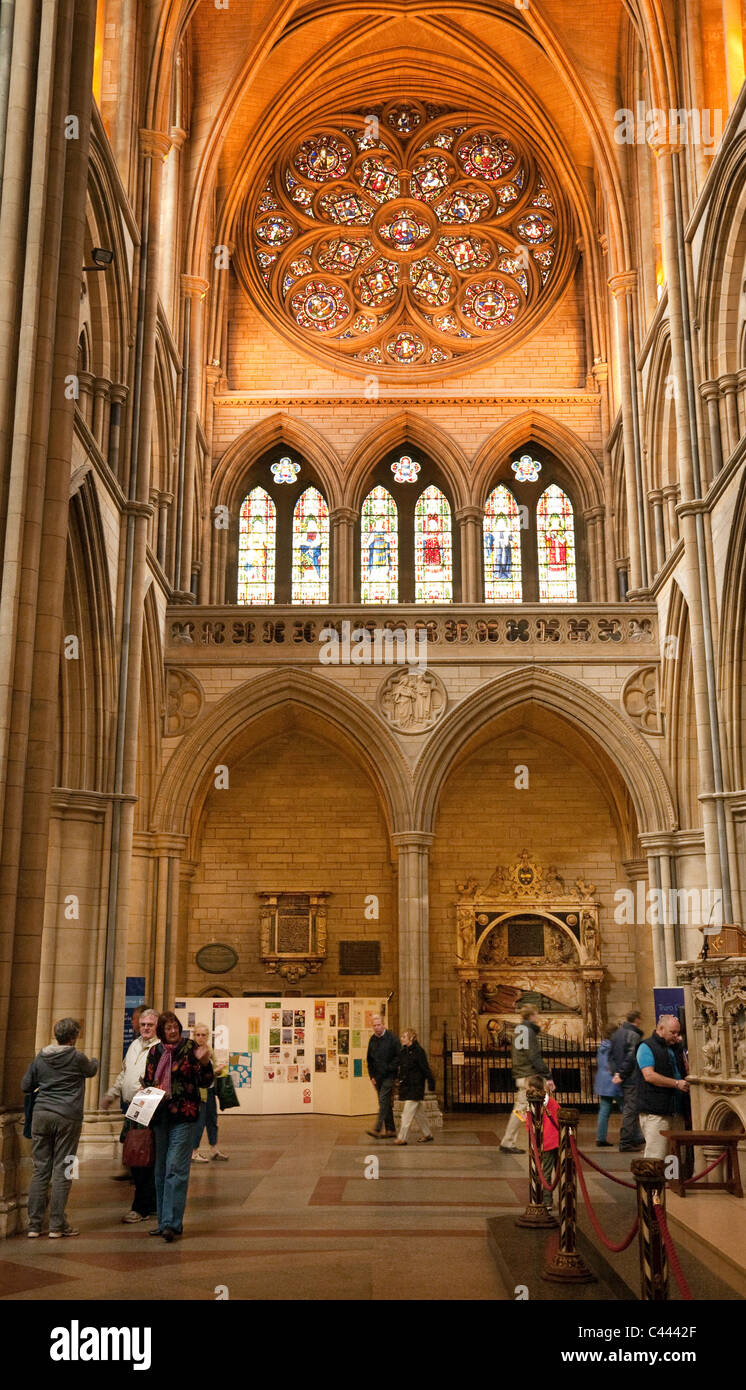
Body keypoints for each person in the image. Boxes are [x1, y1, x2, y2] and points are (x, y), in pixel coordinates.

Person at [21, 1017, 98, 1238]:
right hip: (68, 1118)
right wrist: (95, 1060)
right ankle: (57, 1225)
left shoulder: (41, 1057)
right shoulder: (76, 1057)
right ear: (73, 1037)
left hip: (41, 1115)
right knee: (65, 1169)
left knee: (40, 1170)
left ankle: (34, 1225)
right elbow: (91, 1070)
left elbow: (26, 1085)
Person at [142, 1011, 213, 1241]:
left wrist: (204, 1063)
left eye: (175, 1027)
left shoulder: (190, 1048)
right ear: (161, 1031)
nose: (172, 1031)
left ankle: (173, 1223)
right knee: (161, 1169)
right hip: (160, 1117)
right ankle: (163, 1222)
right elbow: (149, 1080)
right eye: (168, 1028)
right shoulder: (155, 1051)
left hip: (184, 1115)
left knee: (176, 1167)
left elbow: (205, 1081)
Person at [101, 1008, 159, 1221]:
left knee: (142, 1158)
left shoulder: (159, 1048)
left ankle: (141, 1207)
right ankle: (149, 1203)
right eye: (143, 1024)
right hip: (132, 1108)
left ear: (156, 1027)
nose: (145, 1028)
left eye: (150, 1025)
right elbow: (124, 1073)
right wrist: (111, 1095)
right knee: (136, 1156)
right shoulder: (135, 1045)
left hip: (148, 1108)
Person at [499, 1005, 554, 1154]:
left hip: (521, 1072)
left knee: (529, 1107)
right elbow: (534, 1056)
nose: (538, 1018)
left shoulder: (518, 1030)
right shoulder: (528, 1031)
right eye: (536, 1014)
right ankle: (508, 1142)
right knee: (521, 1108)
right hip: (528, 1075)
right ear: (532, 1016)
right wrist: (547, 1074)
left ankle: (538, 1138)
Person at [634, 1014, 690, 1159]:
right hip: (656, 1112)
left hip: (676, 1111)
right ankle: (654, 1183)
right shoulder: (646, 1047)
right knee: (657, 1156)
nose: (676, 1036)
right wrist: (676, 1083)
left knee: (675, 1158)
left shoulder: (676, 1048)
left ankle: (672, 1182)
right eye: (673, 1032)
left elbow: (684, 1070)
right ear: (661, 1028)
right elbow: (649, 1076)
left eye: (678, 1033)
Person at [191, 1022, 229, 1162]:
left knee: (212, 1120)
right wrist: (216, 1071)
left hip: (211, 1090)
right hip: (200, 1093)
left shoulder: (209, 1050)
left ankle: (213, 1149)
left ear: (208, 1037)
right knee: (199, 1123)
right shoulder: (192, 1051)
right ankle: (194, 1152)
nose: (200, 1038)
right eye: (198, 1034)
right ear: (194, 1036)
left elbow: (212, 1066)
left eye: (203, 1035)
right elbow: (196, 1073)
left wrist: (219, 1069)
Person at [609, 1009, 645, 1151]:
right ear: (637, 1020)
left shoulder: (617, 1033)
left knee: (630, 1108)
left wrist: (616, 1073)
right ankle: (626, 1141)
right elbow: (631, 1057)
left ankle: (635, 1137)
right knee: (630, 1110)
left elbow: (610, 1057)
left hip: (622, 1076)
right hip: (631, 1077)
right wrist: (622, 1074)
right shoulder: (633, 1034)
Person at [523, 1074, 560, 1212]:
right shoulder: (552, 1102)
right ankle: (565, 1199)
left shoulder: (533, 1105)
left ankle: (546, 1200)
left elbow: (530, 1126)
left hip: (546, 1143)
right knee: (560, 1172)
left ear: (532, 1089)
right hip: (557, 1141)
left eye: (526, 1088)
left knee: (545, 1173)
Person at [394, 1029, 436, 1145]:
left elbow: (425, 1068)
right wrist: (397, 1078)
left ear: (411, 1038)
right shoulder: (403, 1052)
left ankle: (402, 1138)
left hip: (415, 1087)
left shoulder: (419, 1052)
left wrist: (431, 1082)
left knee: (406, 1114)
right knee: (419, 1113)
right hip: (407, 1086)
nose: (401, 1038)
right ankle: (427, 1134)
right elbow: (400, 1068)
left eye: (404, 1036)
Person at [365, 1014, 400, 1139]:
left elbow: (398, 1056)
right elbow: (369, 1060)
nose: (376, 1028)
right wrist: (372, 1076)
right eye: (374, 1025)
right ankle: (391, 1130)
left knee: (383, 1100)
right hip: (377, 1077)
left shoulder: (392, 1038)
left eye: (378, 1025)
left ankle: (377, 1128)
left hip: (389, 1076)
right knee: (385, 1103)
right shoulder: (372, 1040)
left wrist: (390, 1068)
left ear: (383, 1025)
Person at [594, 1025, 622, 1147]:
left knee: (604, 1111)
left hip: (602, 1082)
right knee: (627, 1109)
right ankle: (632, 1135)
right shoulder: (613, 1047)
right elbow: (613, 1065)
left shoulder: (602, 1047)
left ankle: (600, 1137)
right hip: (613, 1081)